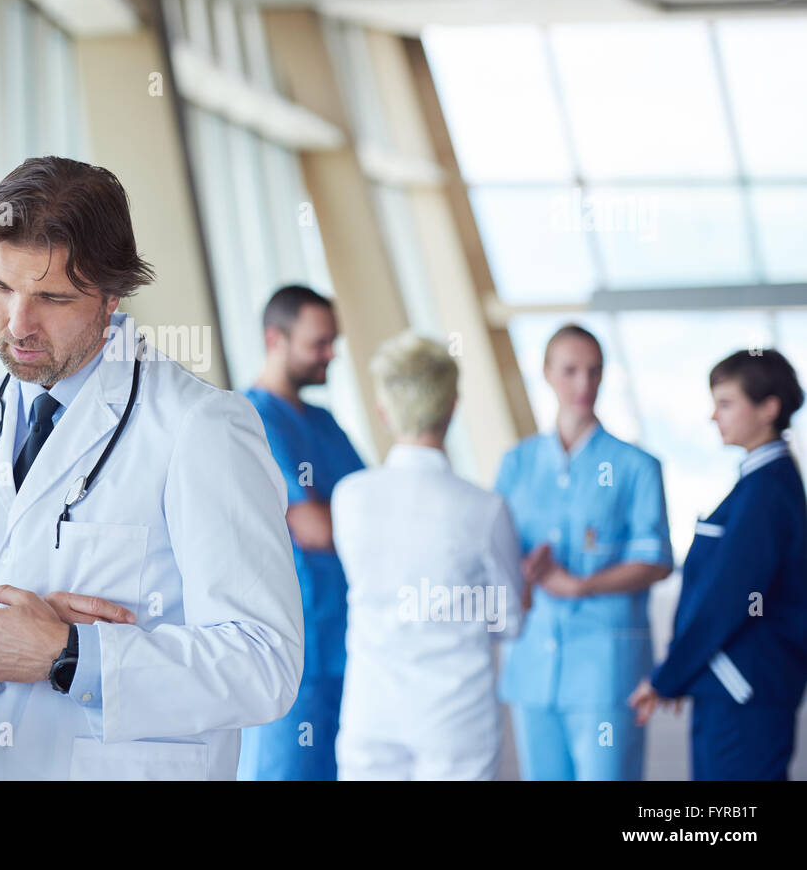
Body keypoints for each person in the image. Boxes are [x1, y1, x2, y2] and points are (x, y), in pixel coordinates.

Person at [0, 156, 303, 780]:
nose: (18, 324)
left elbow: (264, 664)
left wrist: (70, 655)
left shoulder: (200, 427)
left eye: (51, 297)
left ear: (111, 295)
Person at [331, 331, 523, 780]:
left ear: (383, 413)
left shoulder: (349, 497)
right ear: (452, 407)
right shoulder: (483, 508)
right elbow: (508, 620)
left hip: (370, 711)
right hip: (454, 716)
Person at [494, 323, 671, 780]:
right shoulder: (517, 463)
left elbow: (656, 559)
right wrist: (522, 570)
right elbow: (494, 549)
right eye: (570, 371)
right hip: (533, 667)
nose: (584, 384)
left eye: (594, 372)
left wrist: (581, 585)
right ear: (547, 373)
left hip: (605, 672)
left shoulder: (636, 467)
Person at [631, 349, 807, 780]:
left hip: (742, 693)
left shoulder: (765, 494)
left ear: (769, 408)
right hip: (733, 688)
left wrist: (667, 677)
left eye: (726, 403)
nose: (714, 417)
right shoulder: (759, 485)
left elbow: (724, 600)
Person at [236, 285, 365, 781]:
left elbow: (374, 511)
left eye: (334, 342)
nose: (331, 355)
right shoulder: (250, 418)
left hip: (341, 636)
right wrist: (337, 514)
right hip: (294, 646)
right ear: (276, 338)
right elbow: (313, 527)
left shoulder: (325, 422)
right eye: (319, 343)